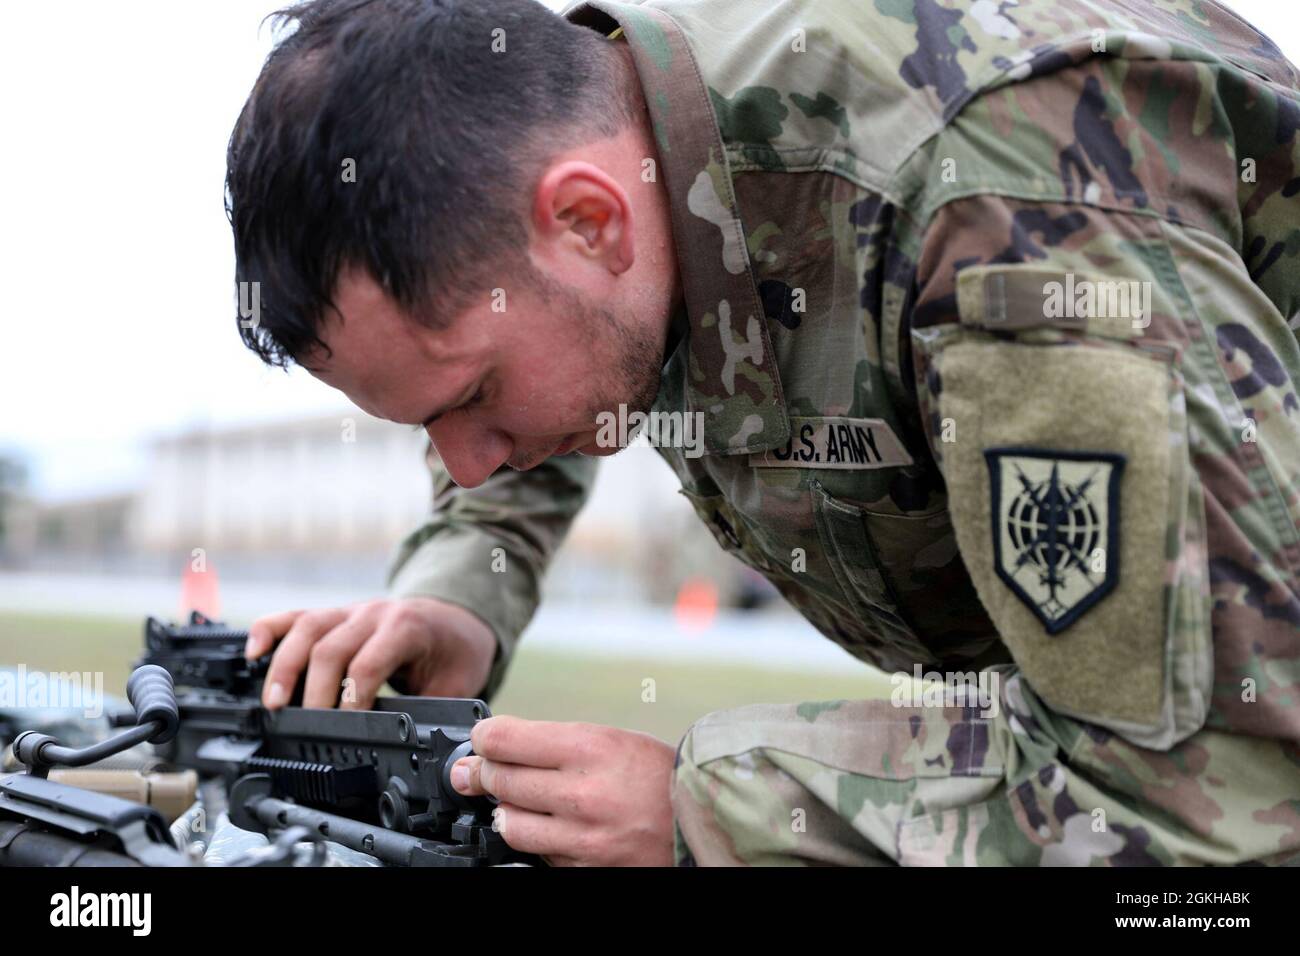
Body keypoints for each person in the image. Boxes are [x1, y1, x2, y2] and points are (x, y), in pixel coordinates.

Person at [225, 0, 1300, 865]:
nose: (468, 459)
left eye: (470, 398)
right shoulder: (617, 152)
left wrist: (719, 810)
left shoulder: (999, 212)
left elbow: (1221, 806)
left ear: (589, 221)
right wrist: (457, 589)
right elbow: (550, 389)